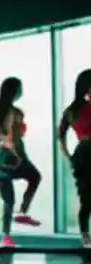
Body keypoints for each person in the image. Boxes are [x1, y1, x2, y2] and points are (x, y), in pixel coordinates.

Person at [0, 76, 42, 246]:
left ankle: (8, 232)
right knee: (33, 178)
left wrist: (12, 148)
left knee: (10, 200)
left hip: (3, 161)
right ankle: (19, 216)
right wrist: (18, 155)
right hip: (10, 159)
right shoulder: (14, 113)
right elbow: (12, 138)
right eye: (20, 89)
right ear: (14, 92)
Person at [57, 69, 91, 247]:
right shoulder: (75, 110)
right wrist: (68, 156)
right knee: (86, 198)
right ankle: (86, 237)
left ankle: (86, 237)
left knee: (86, 198)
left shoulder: (73, 110)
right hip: (85, 155)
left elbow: (60, 135)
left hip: (82, 154)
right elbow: (60, 135)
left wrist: (69, 156)